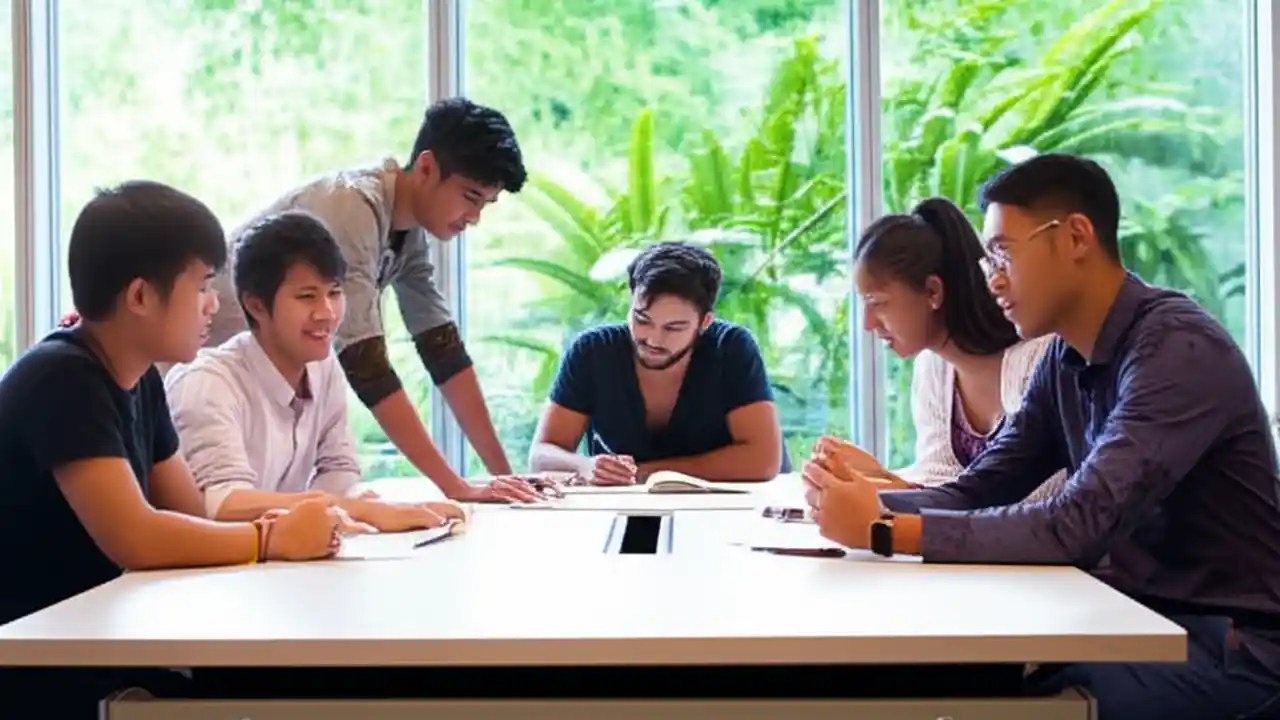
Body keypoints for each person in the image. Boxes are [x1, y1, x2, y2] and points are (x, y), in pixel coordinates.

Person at [803, 154, 1280, 719]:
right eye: (989, 260)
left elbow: (1077, 522)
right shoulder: (1064, 359)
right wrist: (858, 506)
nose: (993, 278)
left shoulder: (1176, 351)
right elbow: (980, 488)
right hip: (1132, 618)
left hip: (1232, 648)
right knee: (921, 674)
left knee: (991, 697)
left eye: (1004, 253)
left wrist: (885, 530)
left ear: (1076, 237)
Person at [0, 182, 342, 717]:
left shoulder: (141, 380)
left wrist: (283, 527)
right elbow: (137, 538)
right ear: (140, 297)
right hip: (40, 669)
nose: (214, 304)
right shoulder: (62, 378)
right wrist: (270, 539)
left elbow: (187, 511)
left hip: (102, 640)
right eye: (202, 285)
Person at [204, 97, 538, 503]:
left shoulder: (408, 232)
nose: (475, 217)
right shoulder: (352, 208)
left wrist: (508, 478)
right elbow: (367, 366)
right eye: (470, 197)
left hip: (266, 388)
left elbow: (443, 349)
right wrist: (456, 487)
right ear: (427, 168)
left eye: (486, 204)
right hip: (206, 377)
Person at [166, 211, 465, 529]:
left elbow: (340, 468)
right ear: (256, 305)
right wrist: (351, 510)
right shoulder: (207, 382)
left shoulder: (322, 365)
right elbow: (220, 503)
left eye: (334, 293)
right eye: (307, 297)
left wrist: (346, 512)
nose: (327, 313)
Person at [819, 196, 1060, 496]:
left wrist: (879, 483)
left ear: (933, 291)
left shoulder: (1041, 360)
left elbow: (1039, 499)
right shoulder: (933, 368)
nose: (868, 324)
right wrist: (873, 478)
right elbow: (942, 484)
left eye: (878, 303)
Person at [528, 241, 783, 484]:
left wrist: (643, 473)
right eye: (642, 319)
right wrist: (584, 466)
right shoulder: (593, 351)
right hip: (622, 507)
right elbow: (542, 455)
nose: (653, 339)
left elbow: (762, 460)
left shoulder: (731, 348)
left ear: (704, 322)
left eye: (673, 328)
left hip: (731, 508)